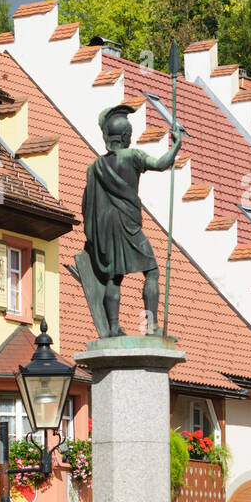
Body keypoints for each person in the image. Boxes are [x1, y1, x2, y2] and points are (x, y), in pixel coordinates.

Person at [77, 104, 182, 337]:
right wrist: (176, 146)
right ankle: (151, 326)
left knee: (114, 276)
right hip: (129, 225)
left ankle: (113, 326)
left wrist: (95, 237)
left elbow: (86, 206)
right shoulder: (133, 156)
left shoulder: (94, 167)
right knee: (152, 271)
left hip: (106, 229)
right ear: (125, 136)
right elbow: (161, 164)